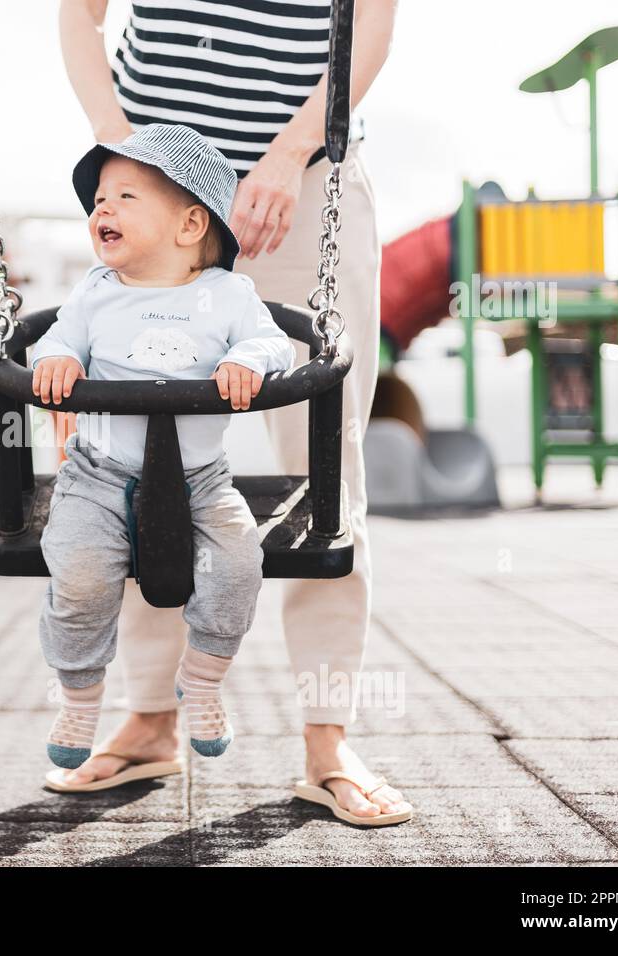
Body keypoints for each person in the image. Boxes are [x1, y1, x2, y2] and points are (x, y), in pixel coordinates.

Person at [51, 0, 413, 825]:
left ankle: (327, 742)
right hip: (154, 197)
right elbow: (81, 18)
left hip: (304, 182)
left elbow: (369, 27)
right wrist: (132, 163)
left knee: (330, 468)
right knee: (138, 456)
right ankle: (149, 719)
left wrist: (288, 155)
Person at [32, 123, 296, 778]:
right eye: (98, 200)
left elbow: (275, 345)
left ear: (188, 226)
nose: (102, 209)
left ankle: (203, 682)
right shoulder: (95, 292)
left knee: (238, 565)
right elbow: (52, 343)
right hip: (96, 475)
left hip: (200, 480)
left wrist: (244, 360)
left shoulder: (229, 296)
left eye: (125, 197)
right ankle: (80, 697)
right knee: (81, 574)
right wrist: (60, 360)